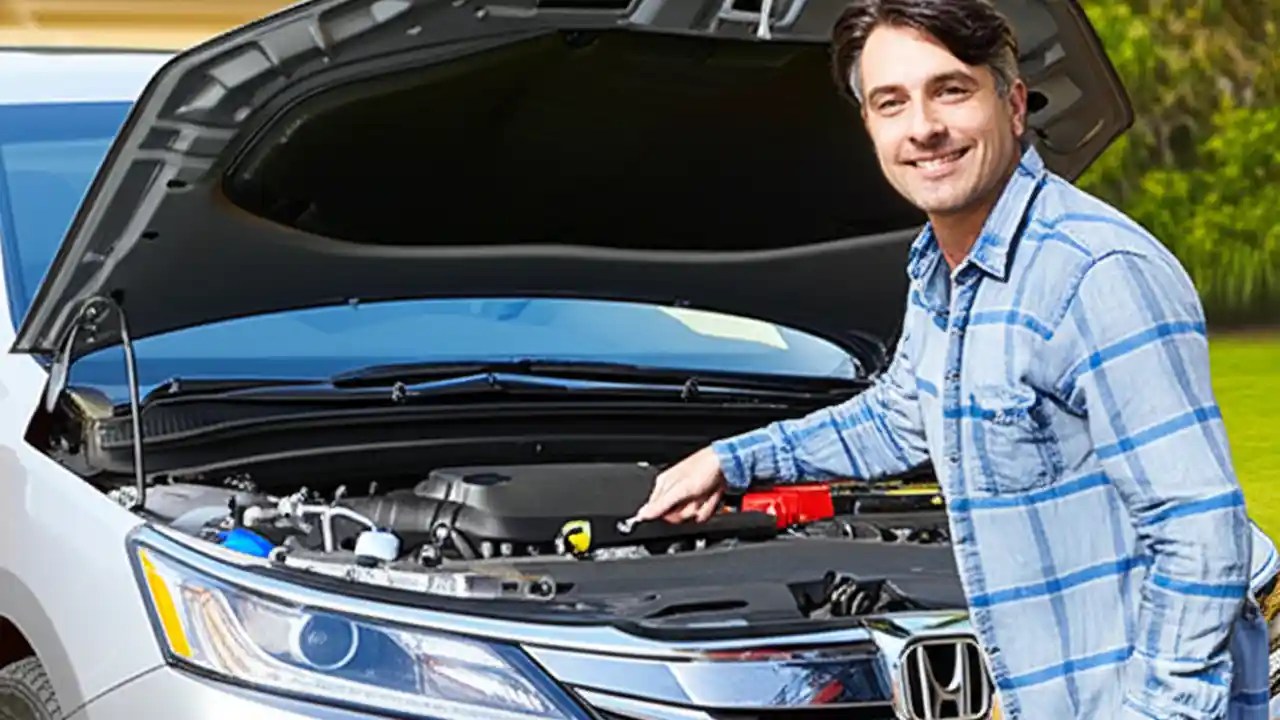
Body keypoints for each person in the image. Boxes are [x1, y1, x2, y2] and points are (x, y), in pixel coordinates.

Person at [631, 0, 1269, 717]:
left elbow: (1201, 535)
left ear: (1015, 103)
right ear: (870, 126)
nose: (924, 127)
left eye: (951, 89)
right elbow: (900, 414)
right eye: (891, 102)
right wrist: (733, 460)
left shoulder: (1095, 275)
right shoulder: (942, 269)